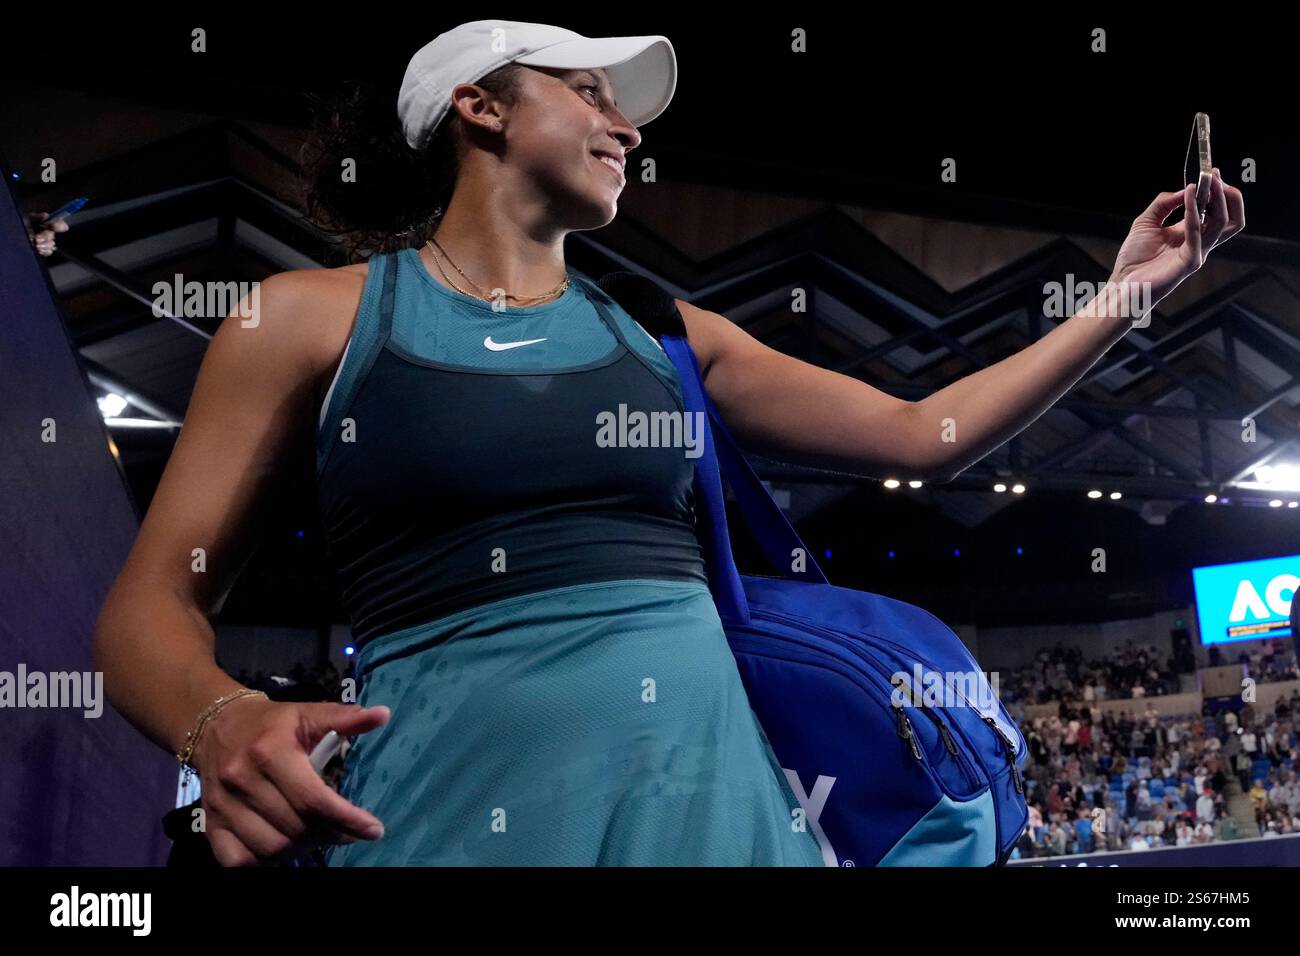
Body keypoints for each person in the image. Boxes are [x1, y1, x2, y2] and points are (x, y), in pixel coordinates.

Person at [93, 20, 1247, 867]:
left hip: (722, 825)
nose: (624, 123)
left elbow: (924, 431)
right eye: (588, 90)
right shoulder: (304, 319)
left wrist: (1124, 294)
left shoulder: (664, 335)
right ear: (480, 108)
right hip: (441, 825)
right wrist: (218, 714)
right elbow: (149, 607)